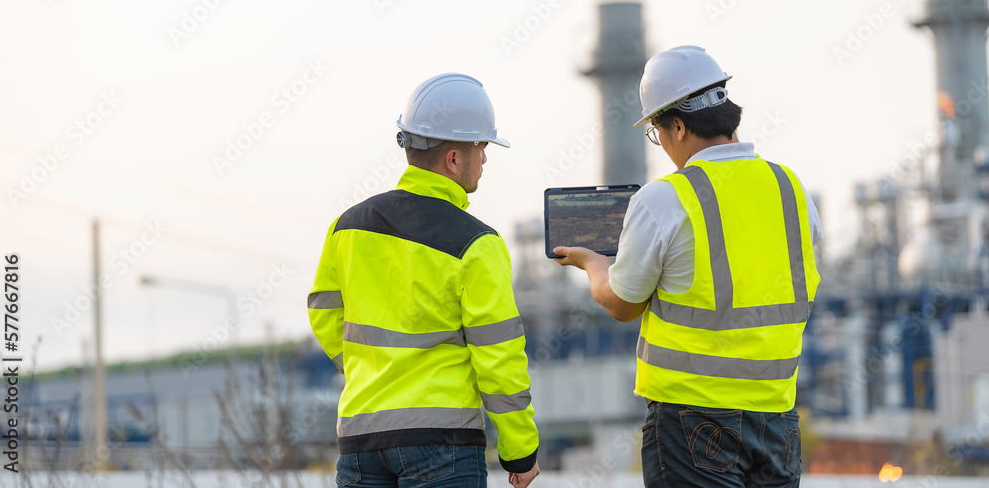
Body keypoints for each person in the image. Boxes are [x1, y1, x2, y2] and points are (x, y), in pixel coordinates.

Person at [554, 46, 822, 488]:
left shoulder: (665, 198)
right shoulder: (792, 189)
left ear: (677, 126)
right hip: (778, 420)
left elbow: (622, 305)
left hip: (692, 423)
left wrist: (593, 265)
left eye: (657, 134)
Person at [308, 73, 540, 488]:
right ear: (454, 158)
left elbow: (324, 313)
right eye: (481, 147)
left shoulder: (347, 228)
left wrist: (372, 369)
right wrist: (520, 451)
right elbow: (498, 358)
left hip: (361, 438)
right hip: (443, 441)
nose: (485, 159)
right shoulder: (476, 243)